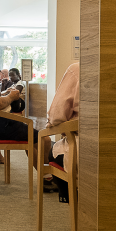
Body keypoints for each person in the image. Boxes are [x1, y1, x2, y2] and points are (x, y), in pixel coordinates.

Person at [41, 62, 80, 198]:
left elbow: (57, 116)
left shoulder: (77, 69)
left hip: (85, 150)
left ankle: (74, 204)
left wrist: (64, 126)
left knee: (50, 149)